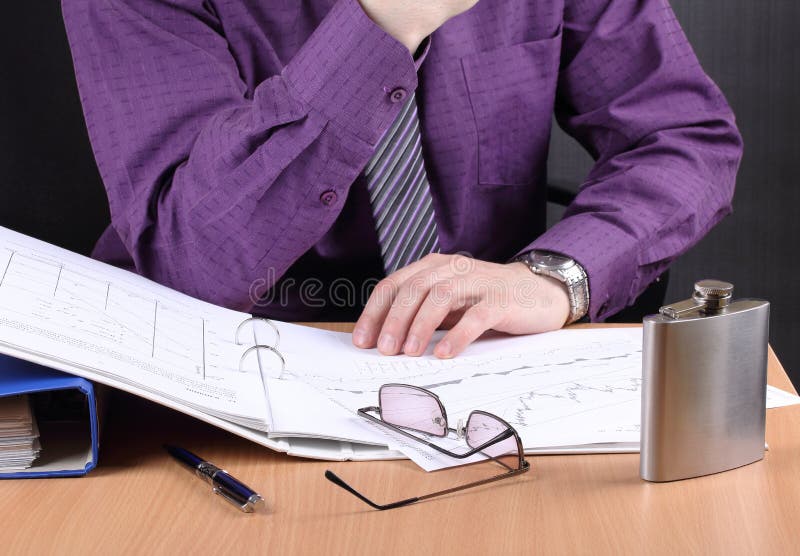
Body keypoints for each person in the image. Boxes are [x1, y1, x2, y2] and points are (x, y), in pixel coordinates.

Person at [61, 0, 742, 359]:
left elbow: (682, 136)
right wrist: (382, 25)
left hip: (477, 362)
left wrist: (556, 276)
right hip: (230, 366)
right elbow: (195, 260)